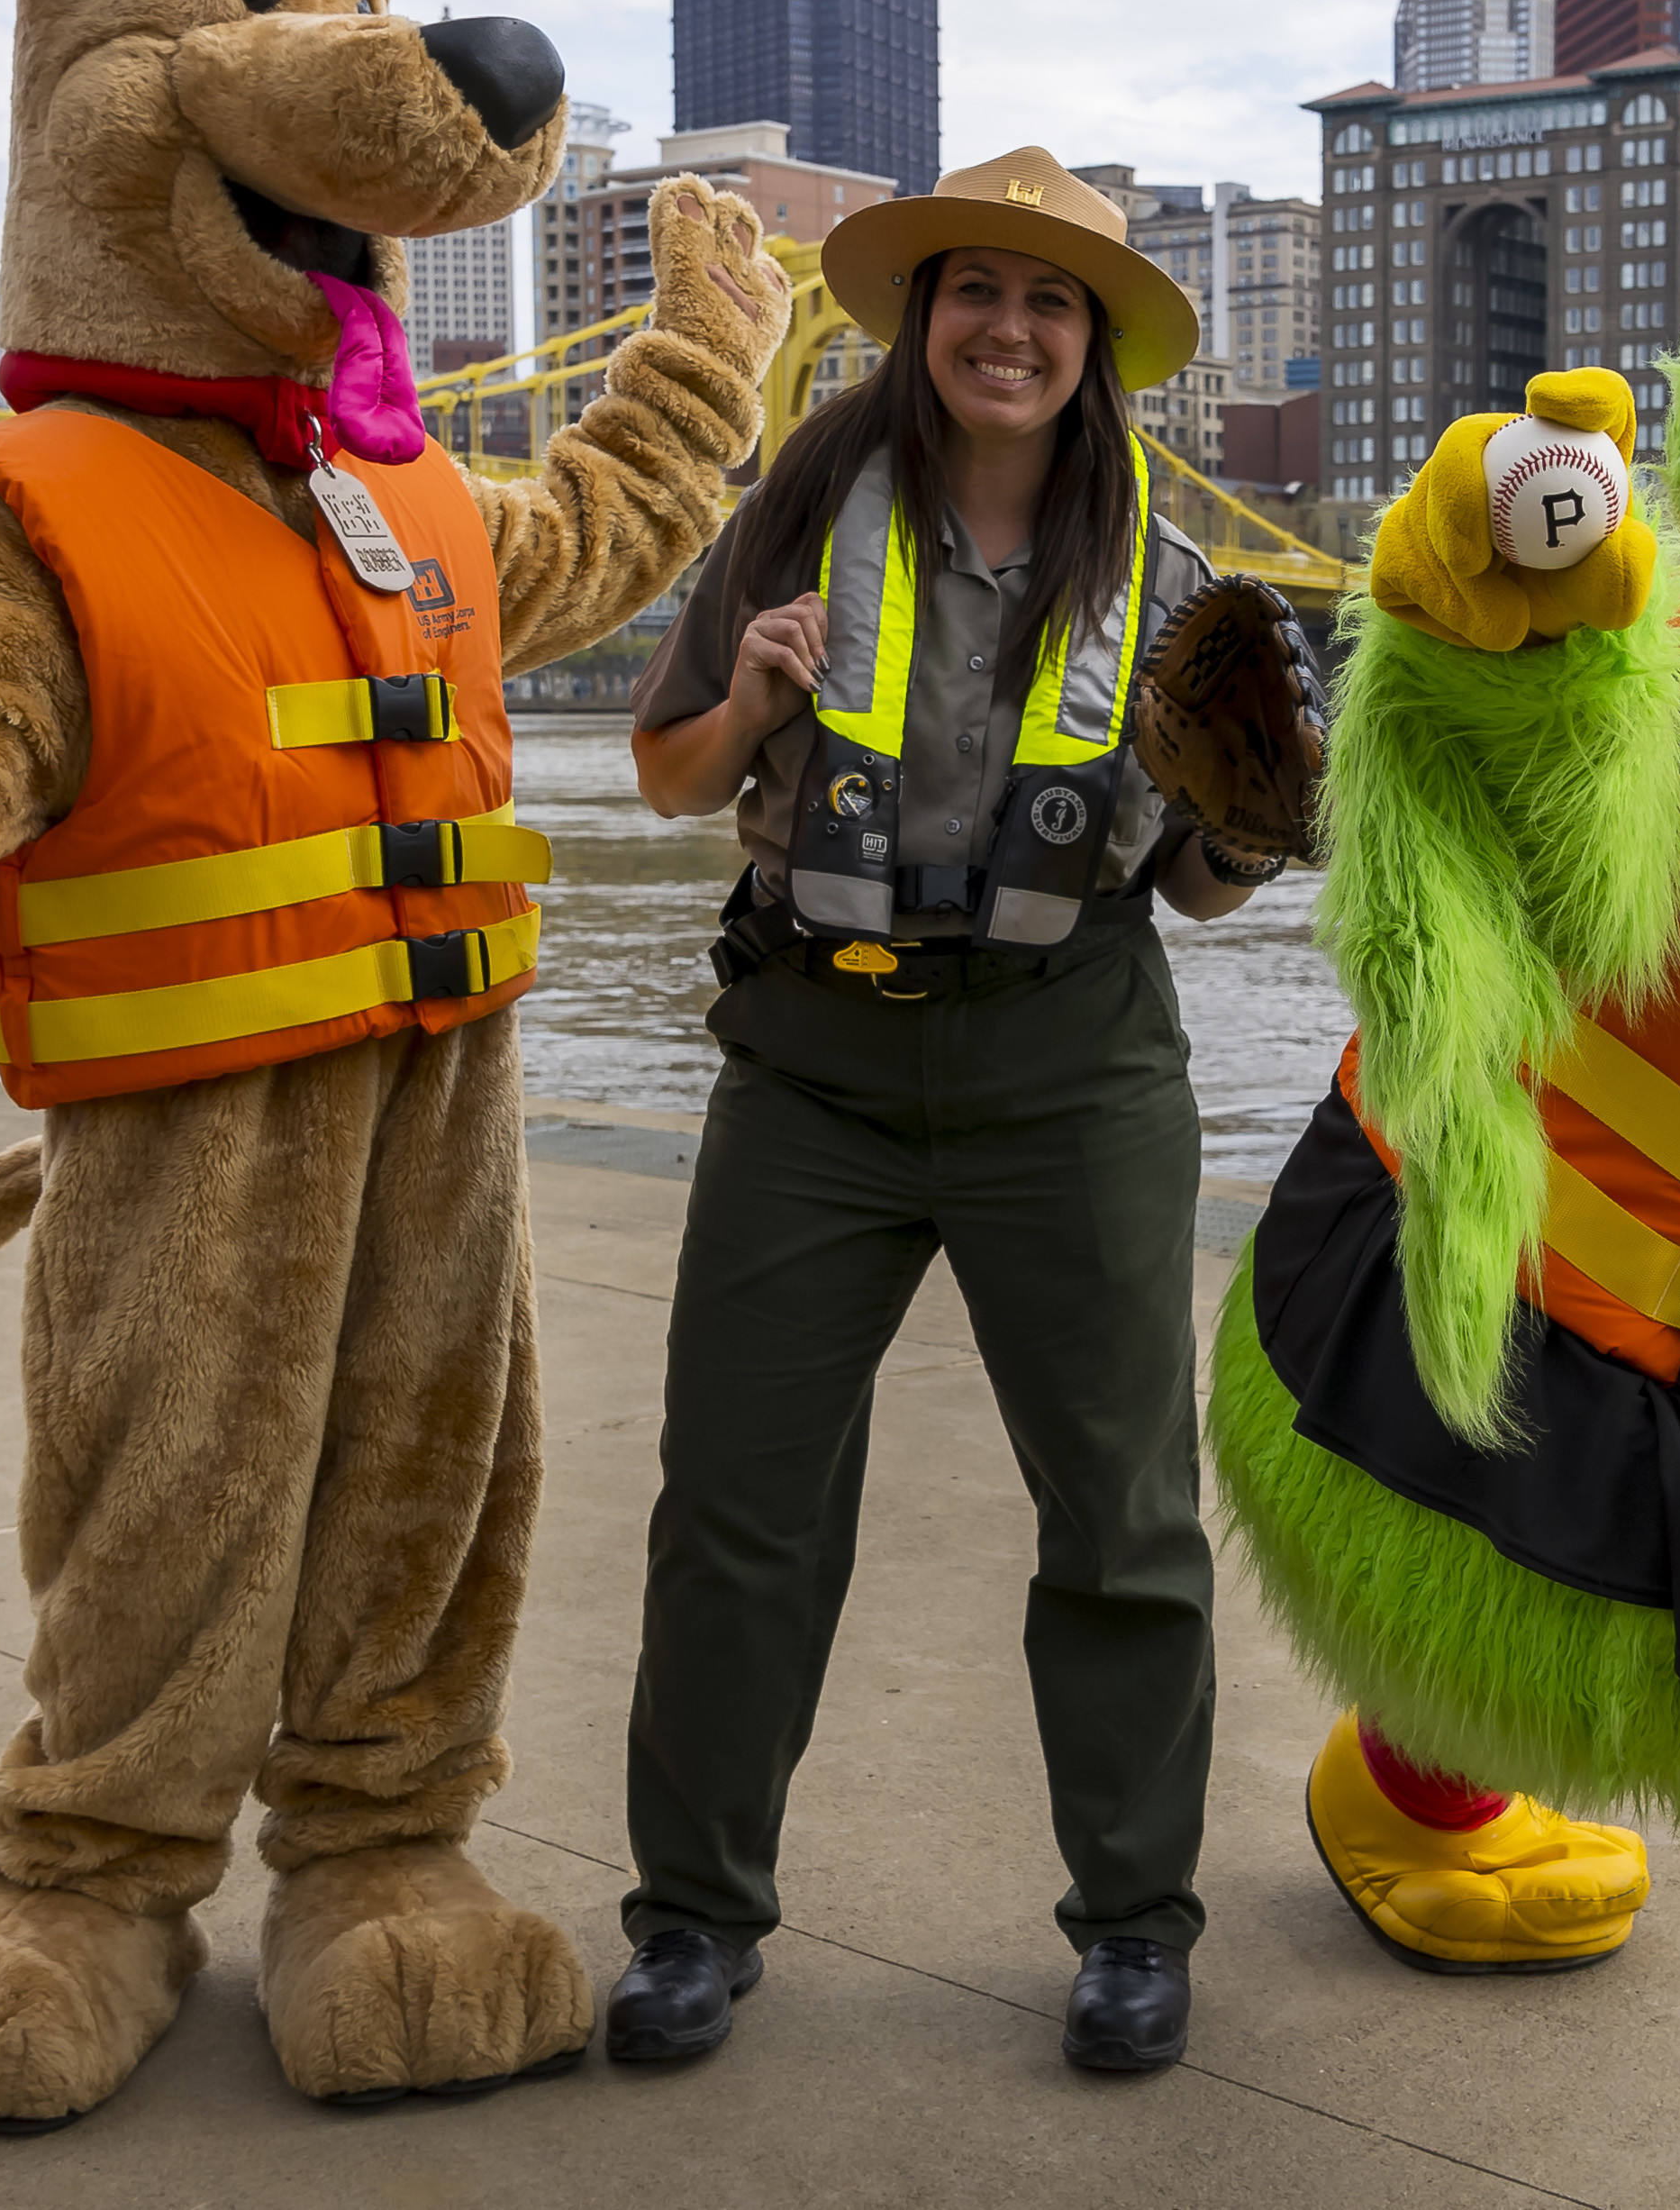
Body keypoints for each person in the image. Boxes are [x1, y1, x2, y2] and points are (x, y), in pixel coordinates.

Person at [609, 148, 1276, 2078]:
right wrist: (745, 693)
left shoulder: (1175, 582)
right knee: (734, 1510)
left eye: (1048, 302)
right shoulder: (800, 505)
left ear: (1093, 349)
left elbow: (1201, 889)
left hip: (1068, 1067)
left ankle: (1135, 1922)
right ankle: (692, 1917)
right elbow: (666, 775)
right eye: (973, 290)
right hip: (810, 1068)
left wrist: (1246, 812)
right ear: (923, 320)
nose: (1007, 327)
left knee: (1122, 1512)